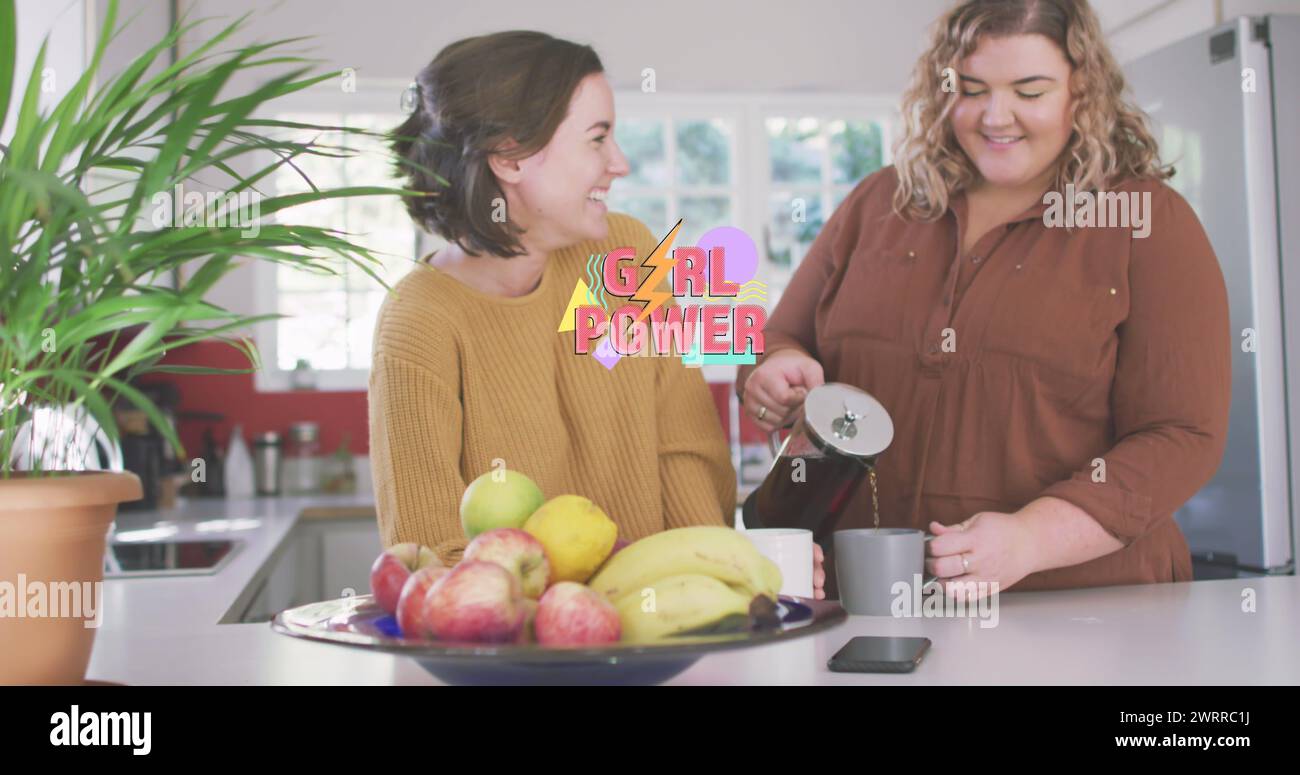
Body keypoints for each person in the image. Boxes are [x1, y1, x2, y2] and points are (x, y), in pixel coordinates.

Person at [737, 0, 1230, 600]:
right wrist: (771, 370)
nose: (997, 117)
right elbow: (776, 340)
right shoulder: (878, 203)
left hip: (1082, 608)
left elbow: (1181, 434)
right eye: (972, 90)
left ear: (1083, 90)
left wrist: (1033, 538)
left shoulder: (1145, 223)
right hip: (863, 603)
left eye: (1031, 91)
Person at [369, 32, 781, 588]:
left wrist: (711, 587)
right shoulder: (419, 320)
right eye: (597, 139)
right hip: (514, 659)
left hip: (665, 633)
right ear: (510, 156)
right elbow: (430, 556)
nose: (621, 163)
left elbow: (685, 450)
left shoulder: (627, 254)